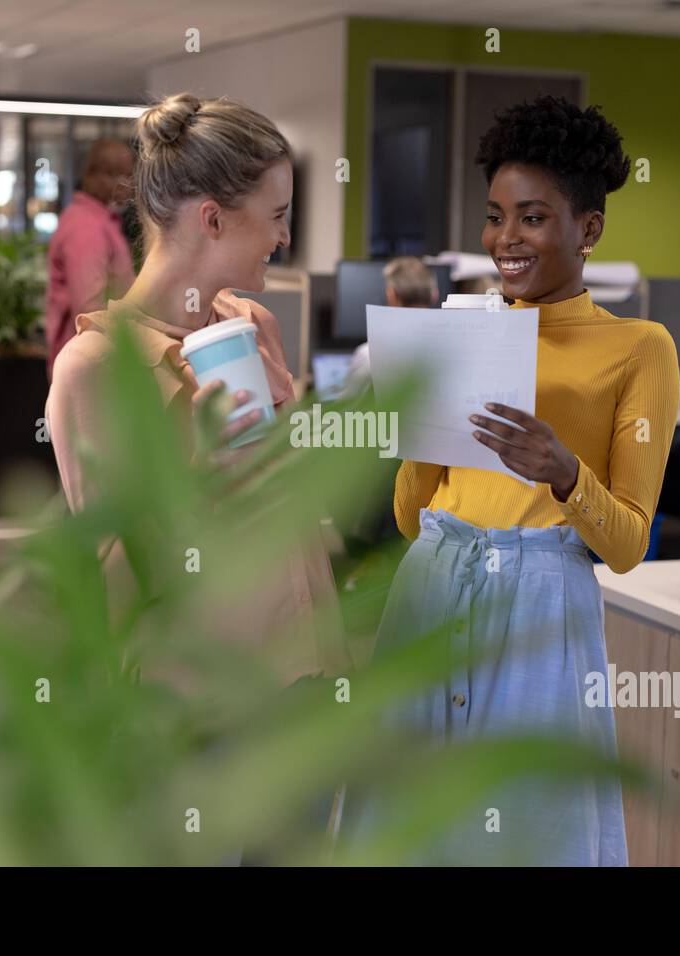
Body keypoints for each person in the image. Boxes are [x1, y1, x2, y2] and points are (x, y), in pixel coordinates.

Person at [344, 96, 680, 865]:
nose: (505, 240)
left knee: (529, 826)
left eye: (532, 217)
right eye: (496, 217)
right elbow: (407, 516)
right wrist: (427, 421)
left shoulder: (640, 348)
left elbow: (627, 544)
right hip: (430, 581)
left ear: (587, 228)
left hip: (540, 600)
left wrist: (565, 474)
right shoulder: (466, 329)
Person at [45, 93, 351, 688]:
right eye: (278, 214)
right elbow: (119, 581)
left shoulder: (252, 325)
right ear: (212, 219)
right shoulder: (97, 368)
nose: (285, 236)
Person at [43, 138, 137, 380]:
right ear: (104, 176)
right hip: (91, 373)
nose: (131, 186)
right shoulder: (87, 228)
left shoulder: (95, 221)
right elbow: (90, 312)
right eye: (126, 176)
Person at [344, 255, 438, 397]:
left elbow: (346, 411)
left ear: (391, 295)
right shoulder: (456, 352)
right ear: (435, 295)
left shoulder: (370, 354)